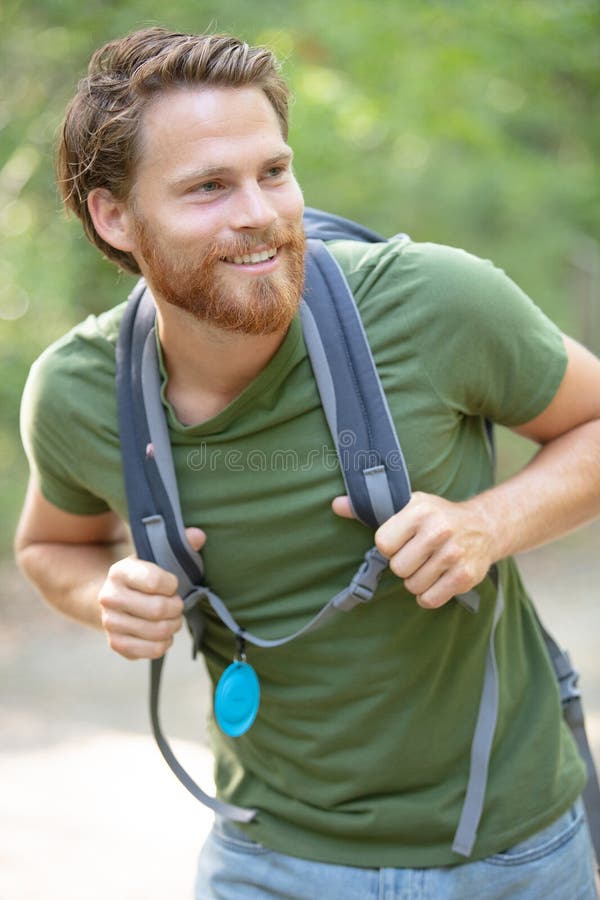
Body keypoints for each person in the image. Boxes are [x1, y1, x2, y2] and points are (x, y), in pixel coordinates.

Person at [15, 26, 600, 900]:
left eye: (274, 172)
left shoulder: (435, 303)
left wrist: (487, 524)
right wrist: (104, 594)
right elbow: (50, 547)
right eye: (209, 187)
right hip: (267, 859)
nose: (258, 212)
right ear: (113, 216)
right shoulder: (75, 392)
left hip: (512, 853)